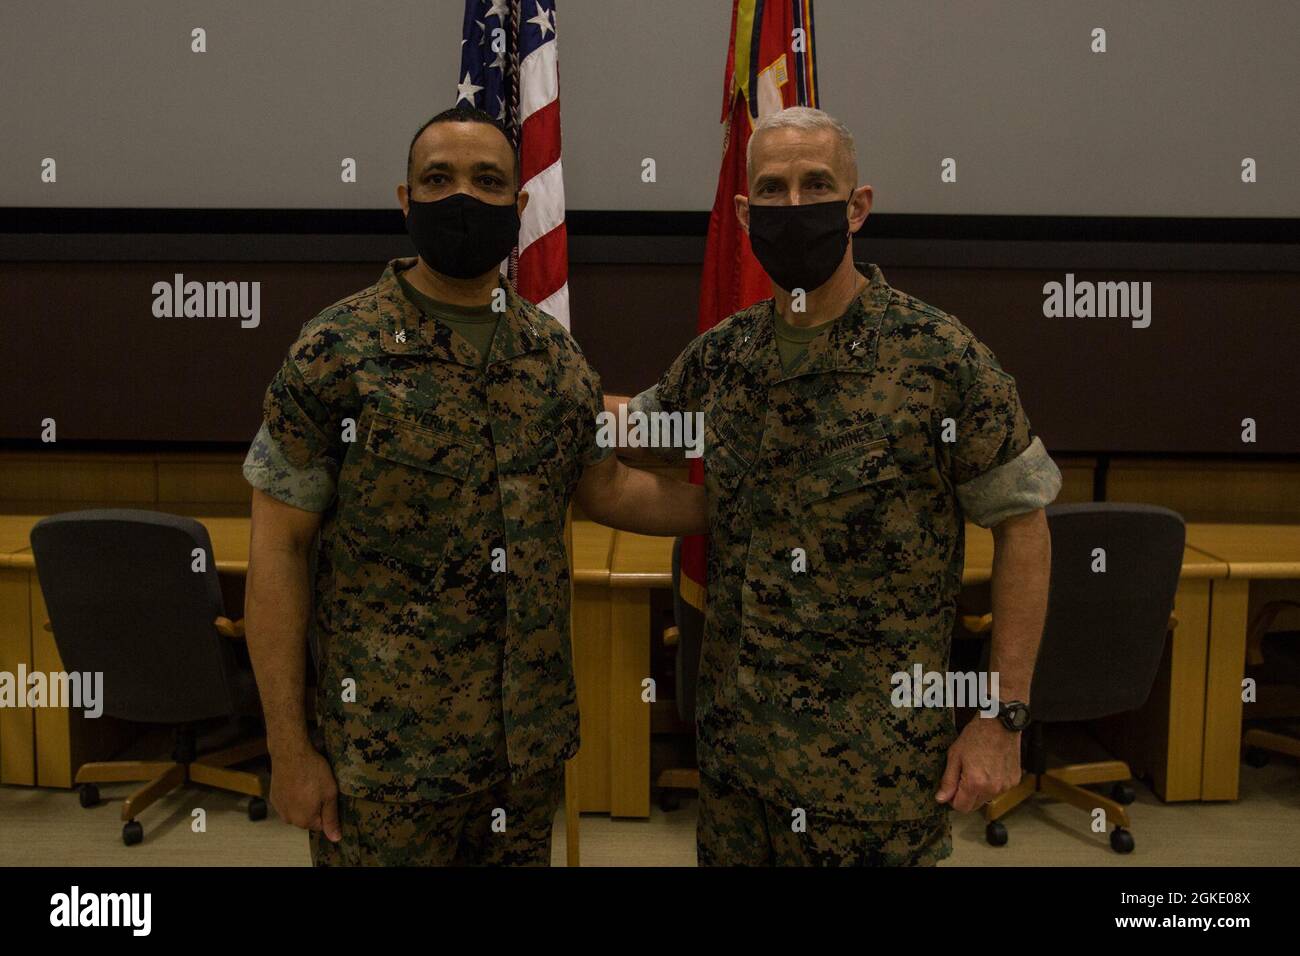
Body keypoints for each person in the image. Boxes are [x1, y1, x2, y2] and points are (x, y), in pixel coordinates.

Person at [242, 106, 706, 866]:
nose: (463, 196)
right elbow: (279, 557)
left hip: (518, 763)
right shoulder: (336, 352)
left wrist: (736, 504)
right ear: (405, 199)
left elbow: (610, 490)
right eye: (439, 179)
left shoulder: (552, 360)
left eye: (488, 180)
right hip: (384, 765)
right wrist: (289, 752)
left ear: (520, 207)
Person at [607, 106, 1061, 866]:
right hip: (739, 775)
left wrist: (1000, 718)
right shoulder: (724, 357)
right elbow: (638, 437)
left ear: (858, 206)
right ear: (745, 213)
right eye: (773, 190)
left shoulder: (938, 358)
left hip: (874, 781)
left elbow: (1023, 526)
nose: (794, 208)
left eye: (816, 185)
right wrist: (545, 406)